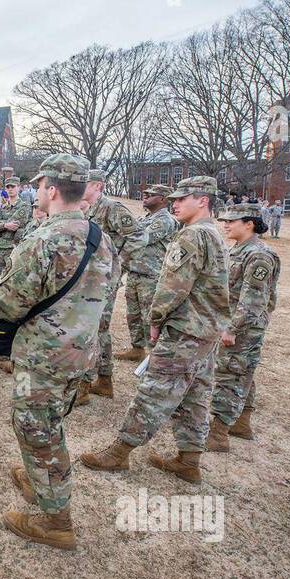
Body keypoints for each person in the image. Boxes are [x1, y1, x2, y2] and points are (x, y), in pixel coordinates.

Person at [0, 154, 113, 551]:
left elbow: (8, 304)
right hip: (80, 352)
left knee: (36, 428)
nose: (36, 190)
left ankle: (56, 521)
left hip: (43, 356)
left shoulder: (45, 238)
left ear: (51, 189)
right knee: (49, 421)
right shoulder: (99, 236)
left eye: (40, 184)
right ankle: (38, 476)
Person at [80, 176, 229, 485]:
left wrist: (156, 320)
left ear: (203, 200)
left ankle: (119, 453)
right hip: (205, 332)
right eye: (173, 198)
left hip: (185, 330)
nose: (174, 202)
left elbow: (173, 287)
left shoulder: (191, 236)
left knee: (153, 391)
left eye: (182, 198)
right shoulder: (212, 234)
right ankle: (189, 460)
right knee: (195, 396)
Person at [208, 203, 281, 450]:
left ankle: (218, 434)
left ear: (249, 223)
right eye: (225, 221)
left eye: (232, 221)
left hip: (244, 326)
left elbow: (254, 300)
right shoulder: (239, 249)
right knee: (242, 371)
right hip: (234, 321)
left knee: (231, 374)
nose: (226, 225)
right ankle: (241, 422)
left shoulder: (258, 254)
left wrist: (232, 329)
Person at [77, 170, 138, 402]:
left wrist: (116, 262)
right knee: (99, 330)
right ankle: (104, 380)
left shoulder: (112, 208)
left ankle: (84, 385)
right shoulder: (87, 209)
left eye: (86, 183)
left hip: (103, 282)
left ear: (98, 186)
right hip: (88, 280)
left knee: (92, 329)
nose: (82, 187)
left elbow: (137, 236)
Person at [114, 183, 179, 361]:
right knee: (133, 315)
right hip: (136, 272)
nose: (145, 196)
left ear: (163, 199)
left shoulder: (165, 220)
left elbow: (142, 238)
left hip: (151, 276)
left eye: (150, 194)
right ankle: (137, 349)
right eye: (145, 193)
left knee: (149, 318)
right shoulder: (146, 218)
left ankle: (154, 356)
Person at [0, 176, 32, 277]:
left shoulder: (23, 206)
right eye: (8, 187)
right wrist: (6, 225)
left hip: (14, 248)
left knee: (13, 277)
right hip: (0, 248)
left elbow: (17, 224)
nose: (10, 189)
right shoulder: (1, 207)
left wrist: (0, 224)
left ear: (18, 187)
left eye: (13, 186)